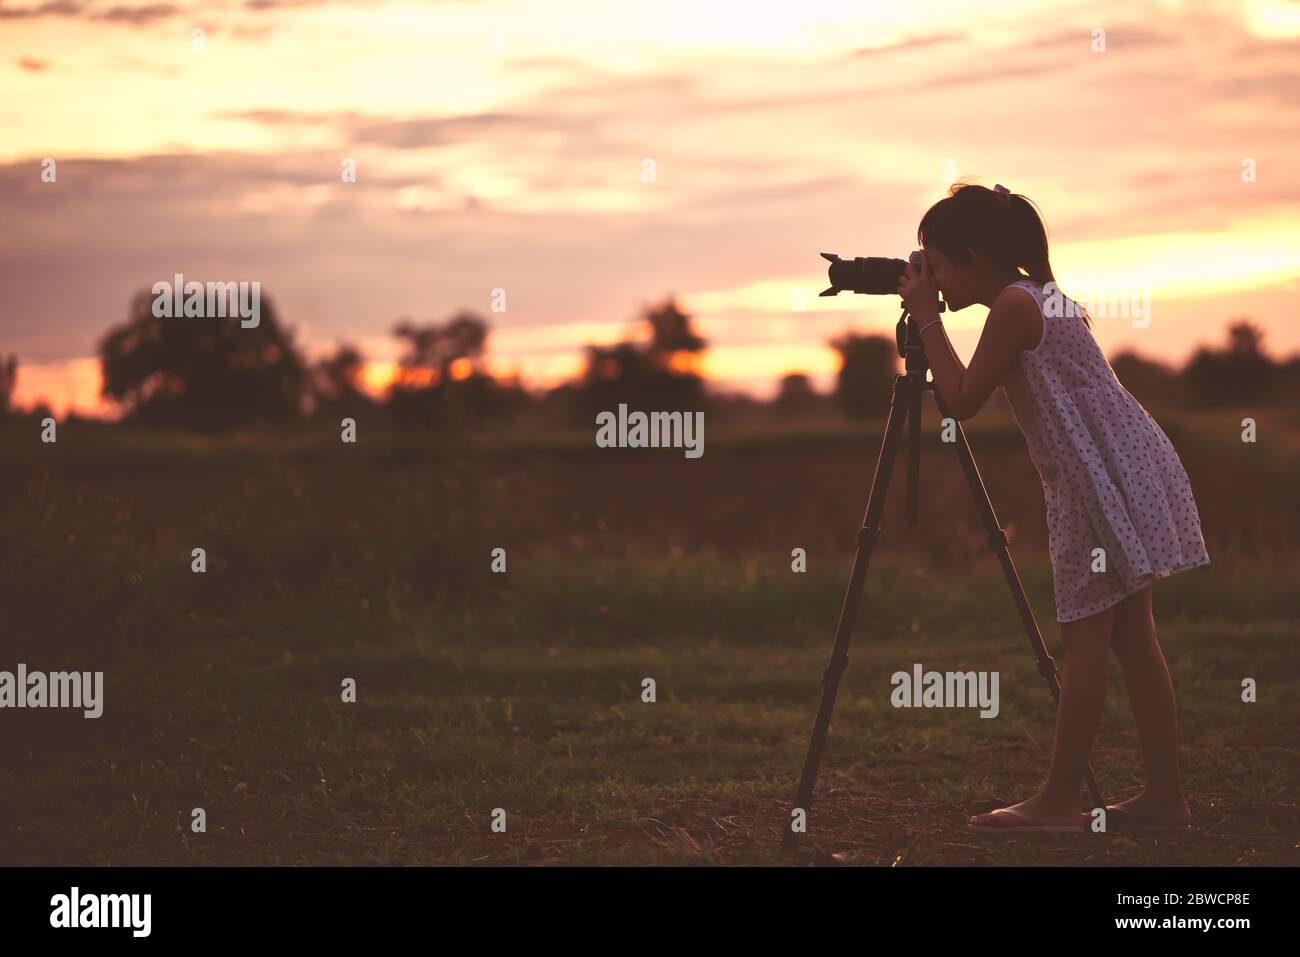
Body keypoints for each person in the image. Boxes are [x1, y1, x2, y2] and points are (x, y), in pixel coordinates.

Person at [896, 181, 1210, 834]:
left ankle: (1060, 801)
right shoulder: (1035, 295)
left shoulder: (1012, 305)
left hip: (1094, 480)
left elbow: (960, 399)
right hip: (1120, 468)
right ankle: (1164, 795)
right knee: (1130, 634)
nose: (933, 277)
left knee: (1088, 636)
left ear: (975, 258)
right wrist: (930, 307)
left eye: (937, 262)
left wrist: (925, 316)